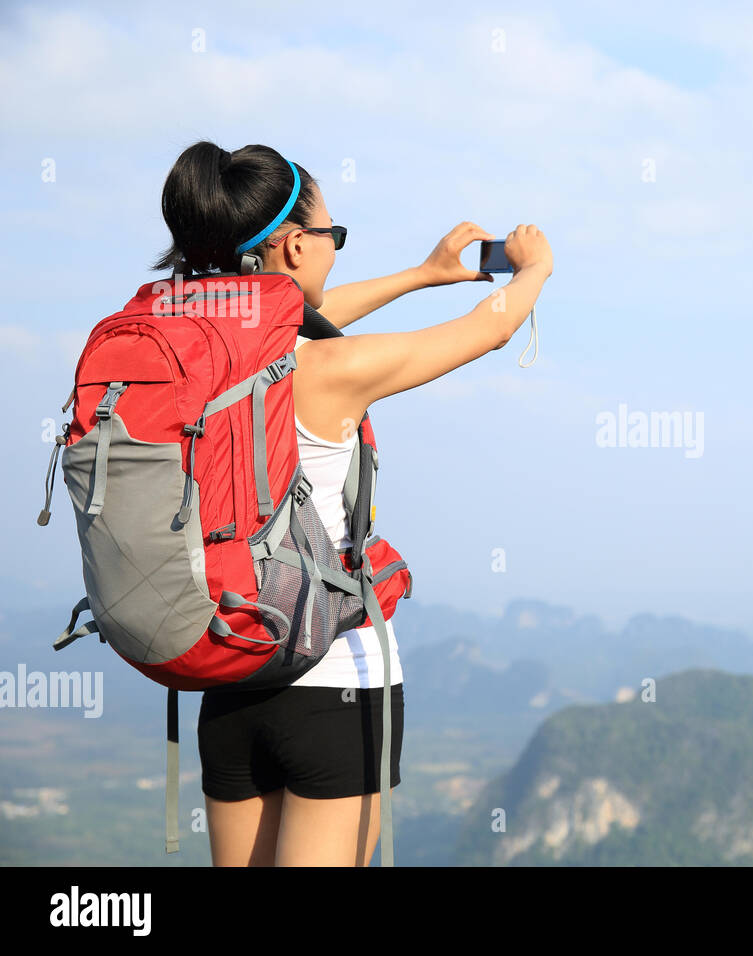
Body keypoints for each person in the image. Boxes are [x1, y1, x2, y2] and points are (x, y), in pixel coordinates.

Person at [150, 141, 552, 866]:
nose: (335, 250)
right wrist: (534, 269)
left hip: (226, 667)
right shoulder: (332, 371)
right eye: (334, 236)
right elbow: (488, 329)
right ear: (296, 245)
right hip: (332, 681)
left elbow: (305, 311)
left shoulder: (178, 357)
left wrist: (425, 276)